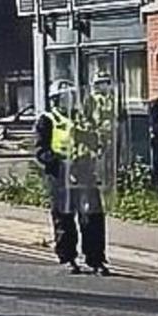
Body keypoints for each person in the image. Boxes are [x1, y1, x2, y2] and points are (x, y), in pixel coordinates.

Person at [34, 79, 109, 275]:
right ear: (55, 100)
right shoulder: (47, 120)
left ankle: (96, 259)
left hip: (84, 172)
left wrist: (98, 148)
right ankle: (68, 258)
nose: (69, 101)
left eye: (71, 97)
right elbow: (41, 151)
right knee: (64, 219)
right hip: (61, 176)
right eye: (65, 98)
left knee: (92, 217)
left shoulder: (81, 118)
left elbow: (92, 140)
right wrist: (60, 164)